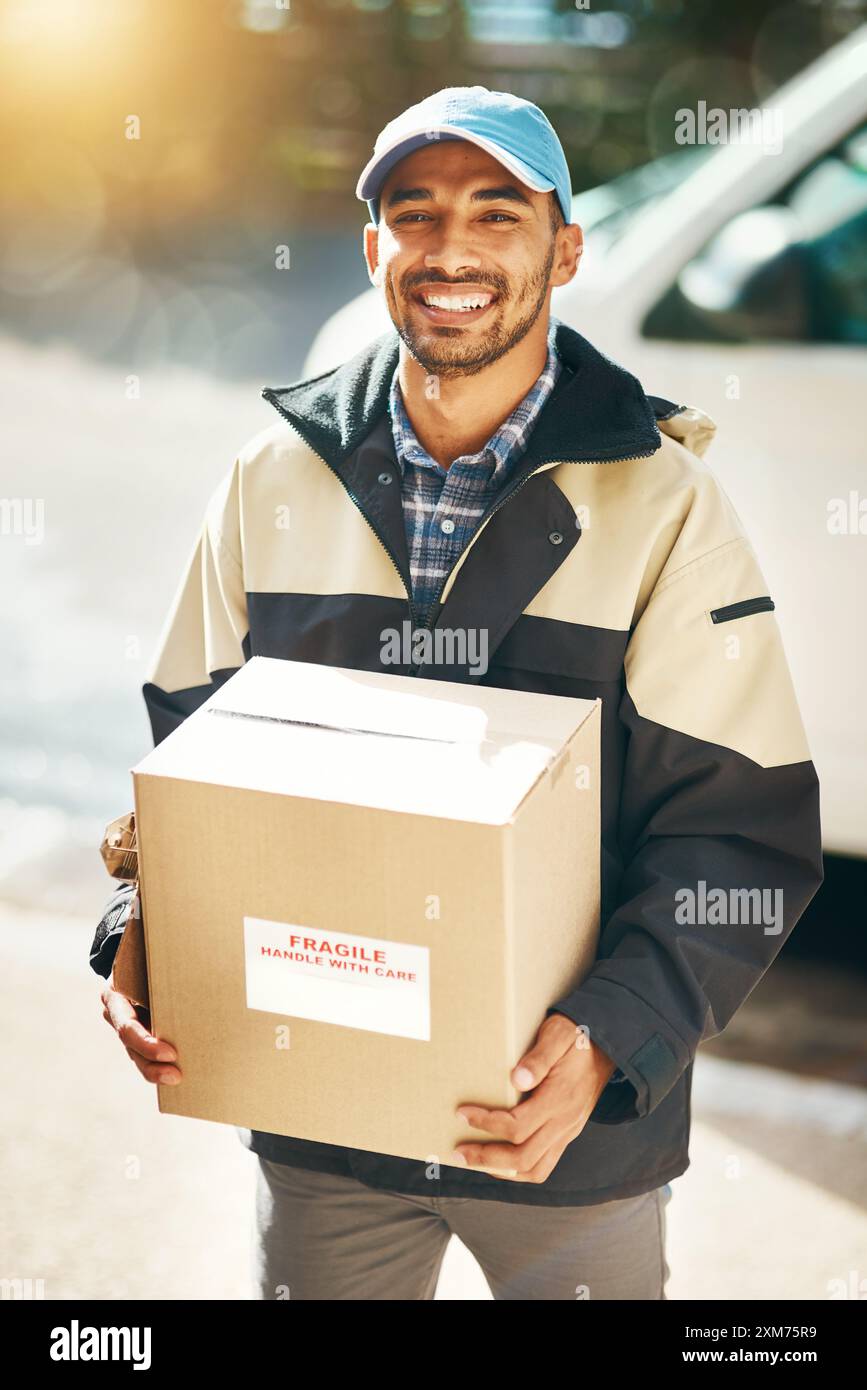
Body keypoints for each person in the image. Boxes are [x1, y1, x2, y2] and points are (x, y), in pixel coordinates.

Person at [91, 86, 823, 1301]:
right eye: (414, 213)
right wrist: (139, 937)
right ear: (376, 248)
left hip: (571, 1143)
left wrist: (605, 1044)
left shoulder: (666, 508)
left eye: (497, 211)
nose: (452, 249)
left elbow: (736, 829)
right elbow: (192, 769)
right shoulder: (269, 480)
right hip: (321, 1123)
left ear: (566, 250)